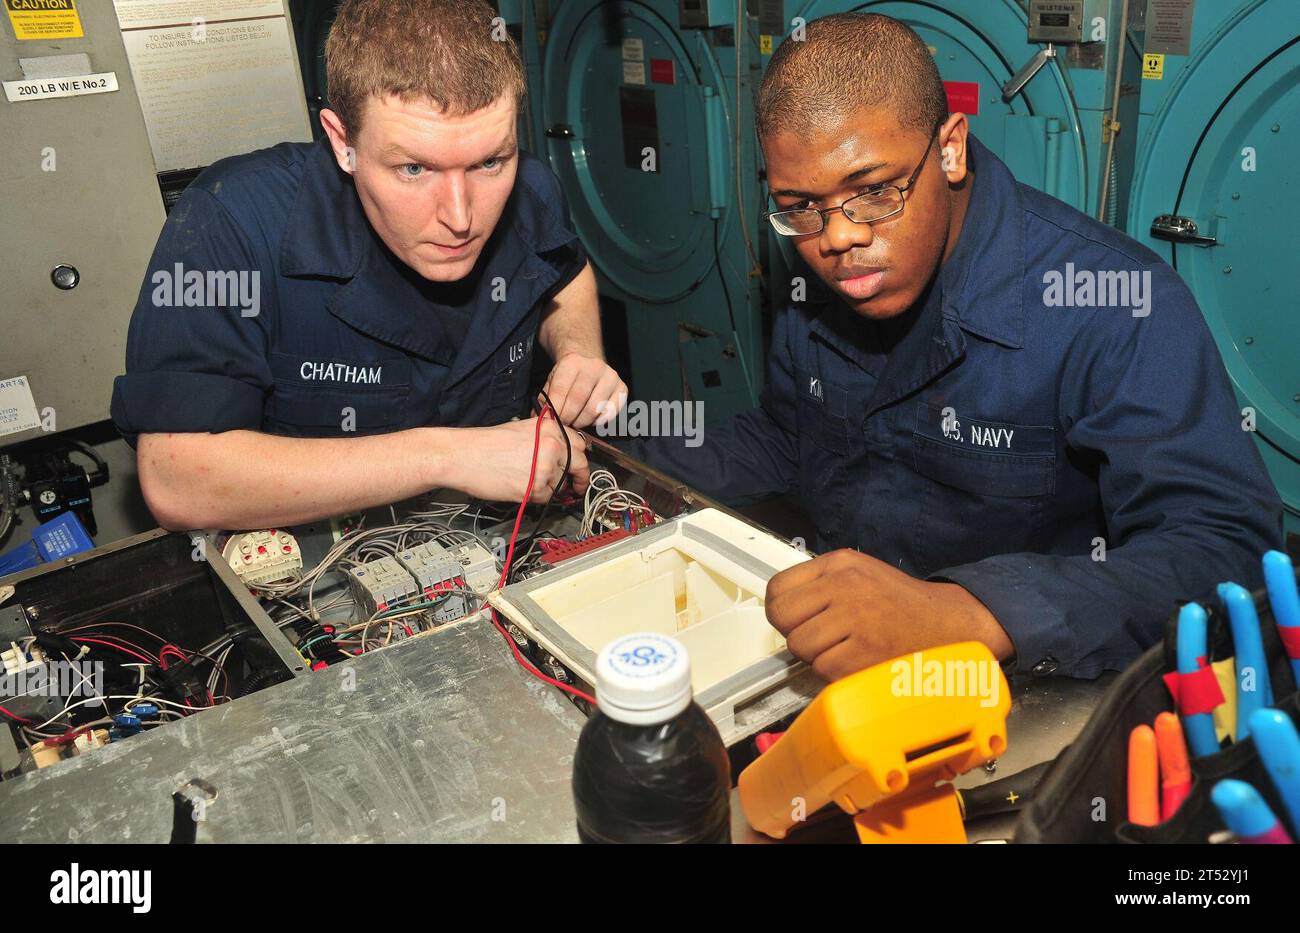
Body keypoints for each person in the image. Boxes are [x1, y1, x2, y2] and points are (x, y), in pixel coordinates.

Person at [629, 13, 1283, 681]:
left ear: (950, 149)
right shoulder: (829, 270)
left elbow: (1224, 552)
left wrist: (973, 613)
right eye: (800, 205)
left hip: (1029, 691)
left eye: (874, 191)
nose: (835, 240)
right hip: (841, 673)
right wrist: (606, 456)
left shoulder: (1110, 304)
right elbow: (784, 438)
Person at [112, 0, 620, 530]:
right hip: (315, 580)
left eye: (489, 161)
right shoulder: (231, 222)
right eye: (413, 168)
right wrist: (448, 456)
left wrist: (578, 352)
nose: (461, 216)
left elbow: (567, 273)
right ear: (342, 142)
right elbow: (179, 479)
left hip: (494, 547)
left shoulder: (532, 190)